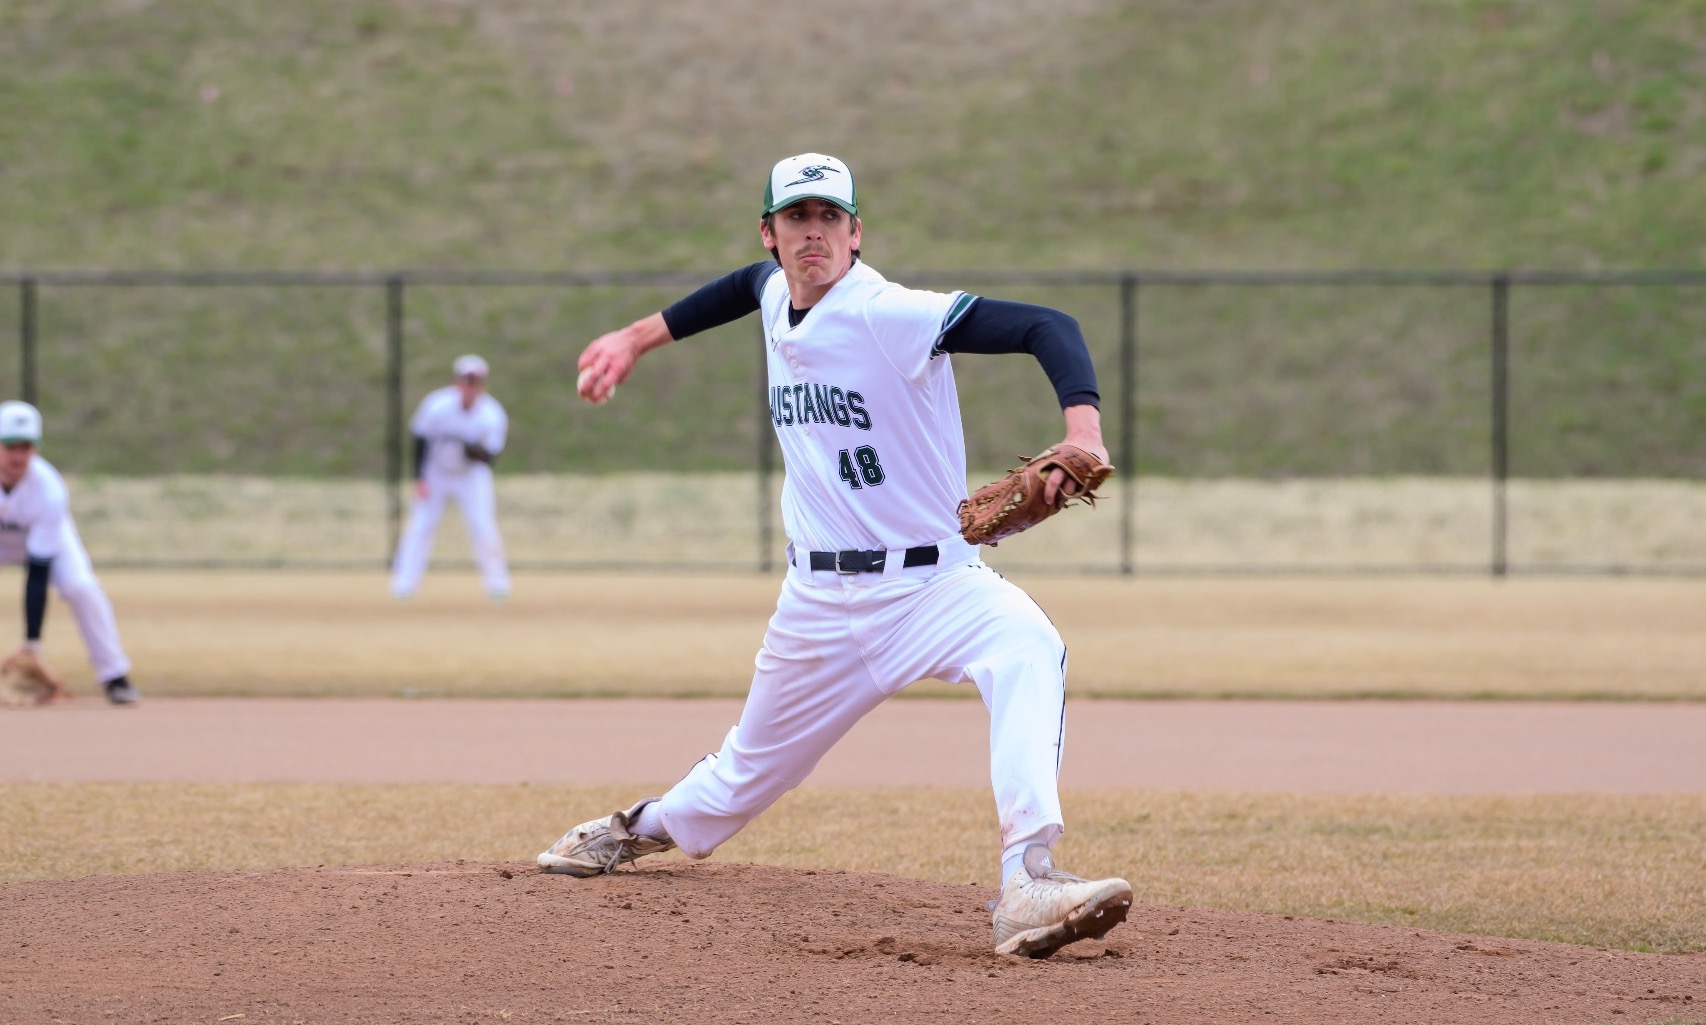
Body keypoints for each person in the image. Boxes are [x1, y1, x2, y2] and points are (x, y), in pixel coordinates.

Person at [537, 153, 1133, 958]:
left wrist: (1083, 431)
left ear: (856, 233)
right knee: (736, 786)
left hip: (934, 584)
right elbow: (738, 289)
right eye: (796, 218)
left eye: (829, 218)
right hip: (816, 603)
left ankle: (1028, 879)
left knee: (1029, 645)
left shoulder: (888, 313)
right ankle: (633, 827)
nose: (811, 233)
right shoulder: (771, 291)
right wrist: (635, 339)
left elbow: (1046, 326)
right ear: (771, 233)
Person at [0, 400, 140, 705]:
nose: (19, 455)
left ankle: (115, 676)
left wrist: (32, 646)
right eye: (11, 445)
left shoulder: (49, 489)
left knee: (81, 588)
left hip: (48, 537)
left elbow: (38, 570)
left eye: (27, 446)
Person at [389, 355, 512, 602]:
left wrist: (474, 452)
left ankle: (497, 585)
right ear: (456, 382)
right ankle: (404, 585)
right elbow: (420, 441)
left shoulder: (491, 415)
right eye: (466, 380)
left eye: (475, 381)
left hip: (470, 476)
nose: (469, 386)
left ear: (482, 385)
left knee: (483, 526)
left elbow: (490, 458)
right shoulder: (437, 405)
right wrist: (419, 478)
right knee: (421, 526)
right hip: (436, 473)